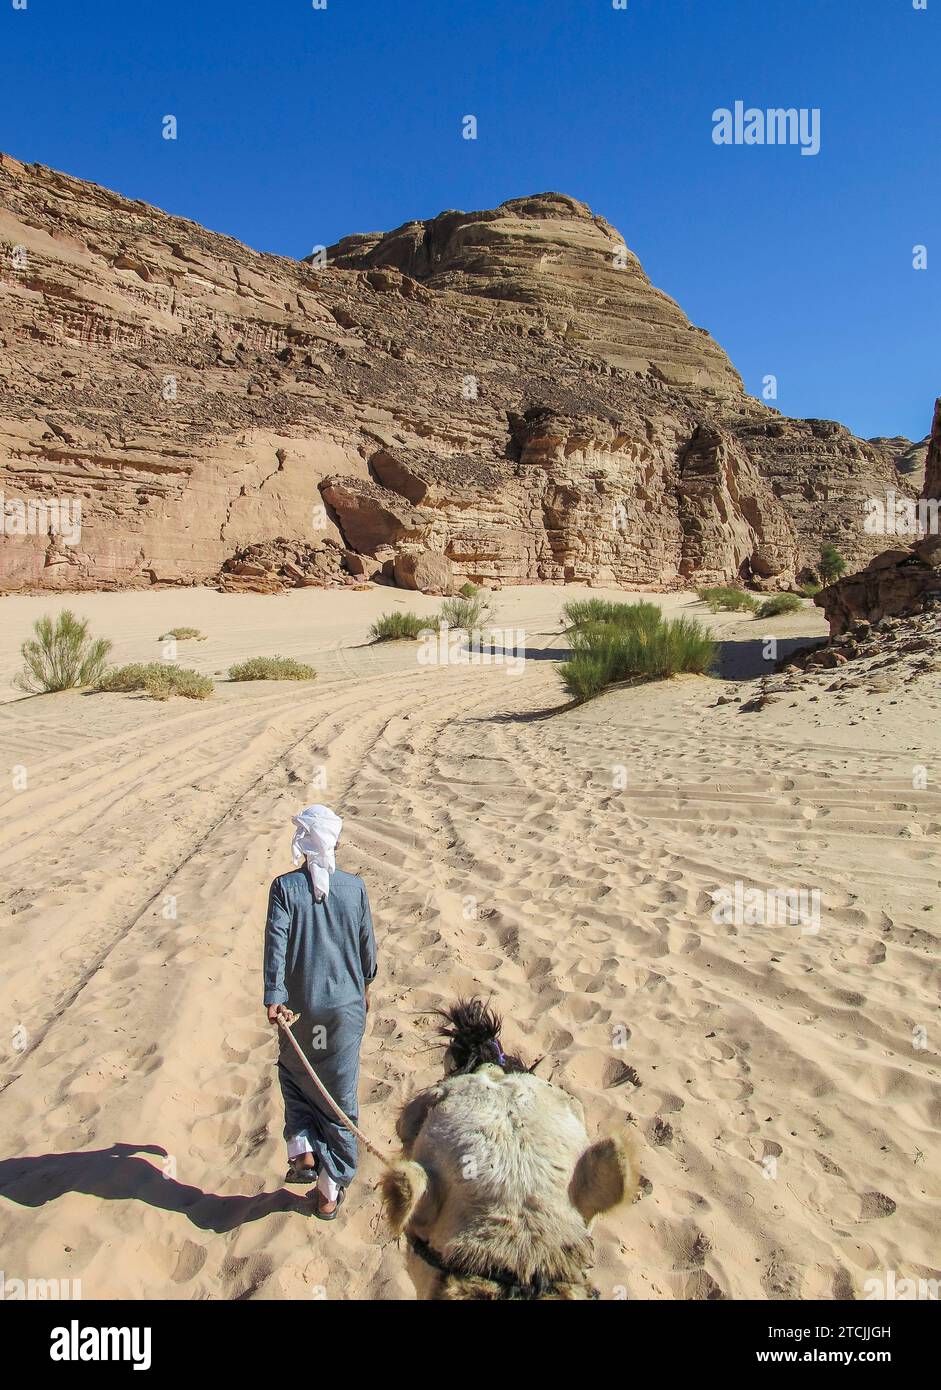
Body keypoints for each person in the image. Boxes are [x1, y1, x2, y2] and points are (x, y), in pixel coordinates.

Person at [263, 804, 377, 1219]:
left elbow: (276, 942)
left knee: (296, 1078)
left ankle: (303, 1149)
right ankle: (329, 1193)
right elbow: (367, 951)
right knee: (340, 1101)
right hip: (346, 1011)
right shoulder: (355, 888)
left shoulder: (284, 888)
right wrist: (365, 987)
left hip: (301, 1012)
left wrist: (274, 994)